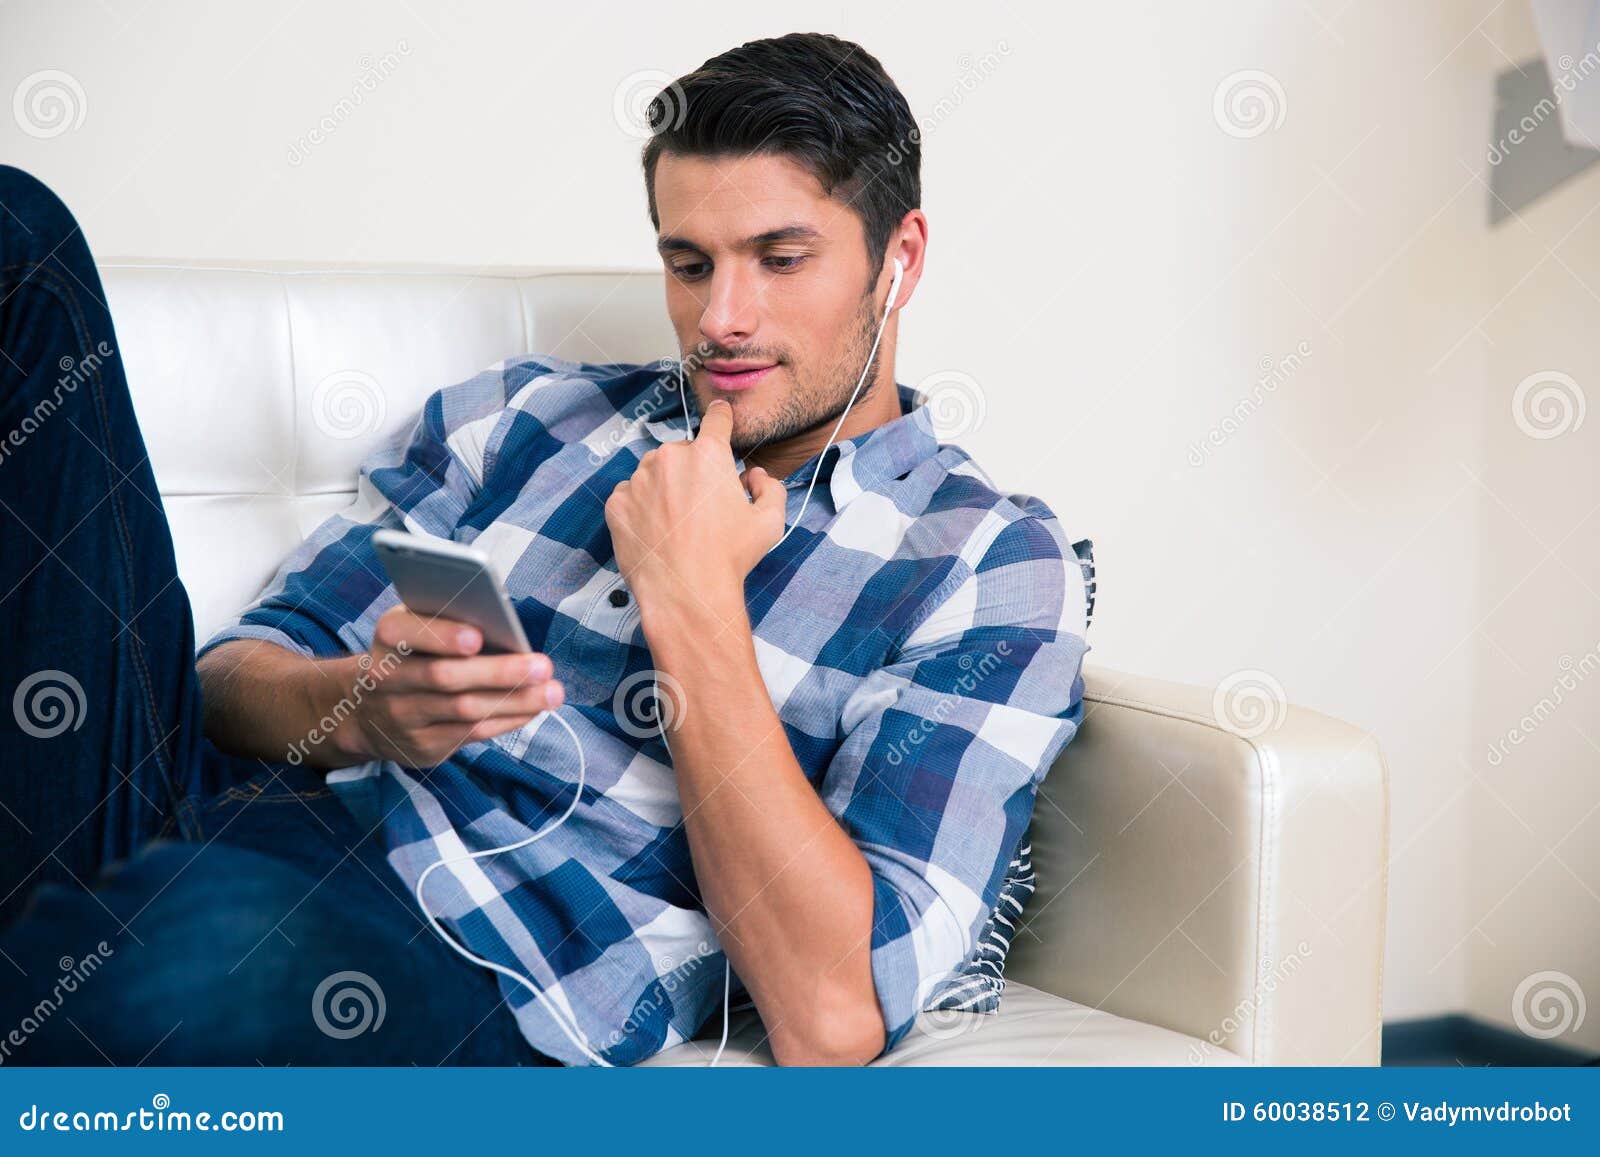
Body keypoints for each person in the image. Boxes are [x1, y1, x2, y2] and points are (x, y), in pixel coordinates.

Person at [0, 32, 1090, 1066]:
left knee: (173, 953)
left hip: (456, 946)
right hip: (177, 808)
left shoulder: (987, 563)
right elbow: (226, 682)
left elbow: (829, 1010)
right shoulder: (529, 416)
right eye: (689, 262)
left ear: (899, 260)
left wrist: (692, 595)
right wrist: (361, 703)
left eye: (779, 257)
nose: (721, 317)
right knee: (20, 233)